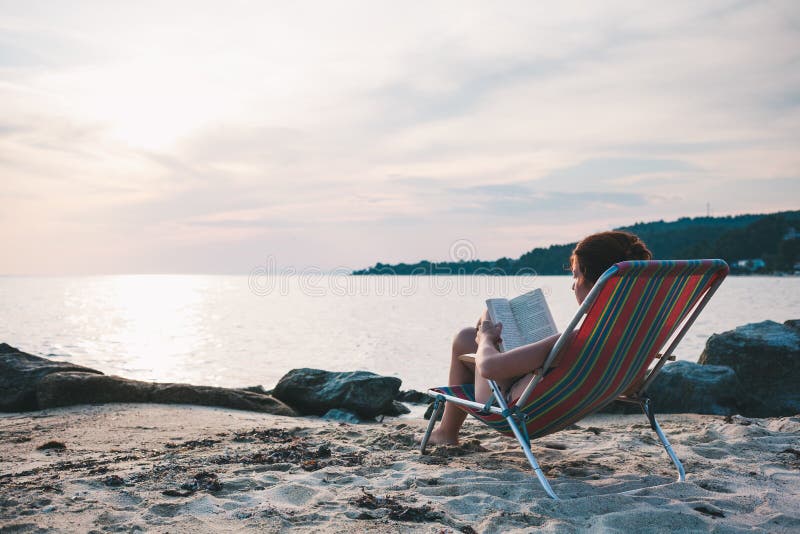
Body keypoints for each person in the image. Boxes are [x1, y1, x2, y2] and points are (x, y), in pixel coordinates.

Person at [427, 230, 652, 445]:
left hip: (512, 406)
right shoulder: (633, 337)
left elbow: (490, 368)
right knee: (468, 336)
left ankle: (447, 432)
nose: (573, 286)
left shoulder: (576, 340)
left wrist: (486, 339)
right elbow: (632, 387)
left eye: (575, 276)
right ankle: (445, 431)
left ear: (595, 284)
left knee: (470, 333)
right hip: (563, 402)